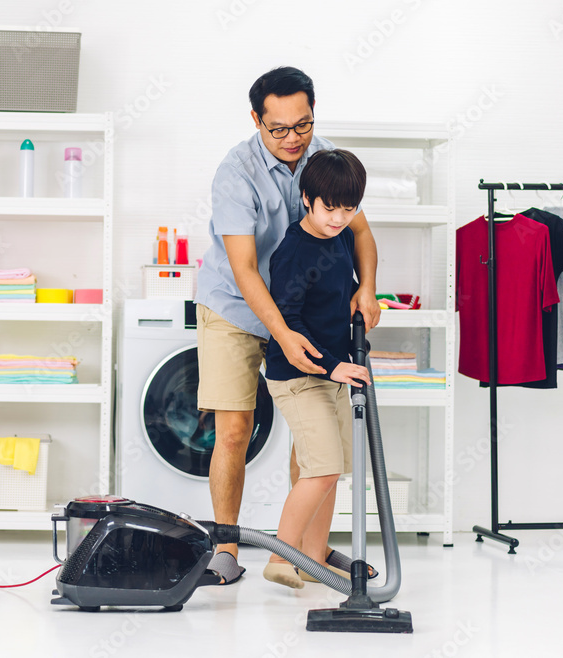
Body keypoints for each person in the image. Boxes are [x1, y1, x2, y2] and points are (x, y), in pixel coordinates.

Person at [194, 66, 380, 585]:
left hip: (305, 313)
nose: (294, 138)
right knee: (233, 432)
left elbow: (361, 231)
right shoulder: (236, 173)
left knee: (315, 438)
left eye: (303, 124)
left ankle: (304, 551)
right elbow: (246, 269)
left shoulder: (323, 157)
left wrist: (366, 288)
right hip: (235, 306)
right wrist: (283, 333)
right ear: (256, 120)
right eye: (279, 129)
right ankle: (226, 549)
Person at [261, 148, 370, 588]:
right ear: (306, 198)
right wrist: (333, 367)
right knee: (321, 467)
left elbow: (343, 285)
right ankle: (280, 558)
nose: (339, 218)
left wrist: (364, 297)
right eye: (330, 207)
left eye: (349, 209)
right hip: (298, 377)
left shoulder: (340, 236)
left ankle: (311, 558)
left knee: (334, 469)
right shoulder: (293, 251)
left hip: (333, 372)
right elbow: (290, 325)